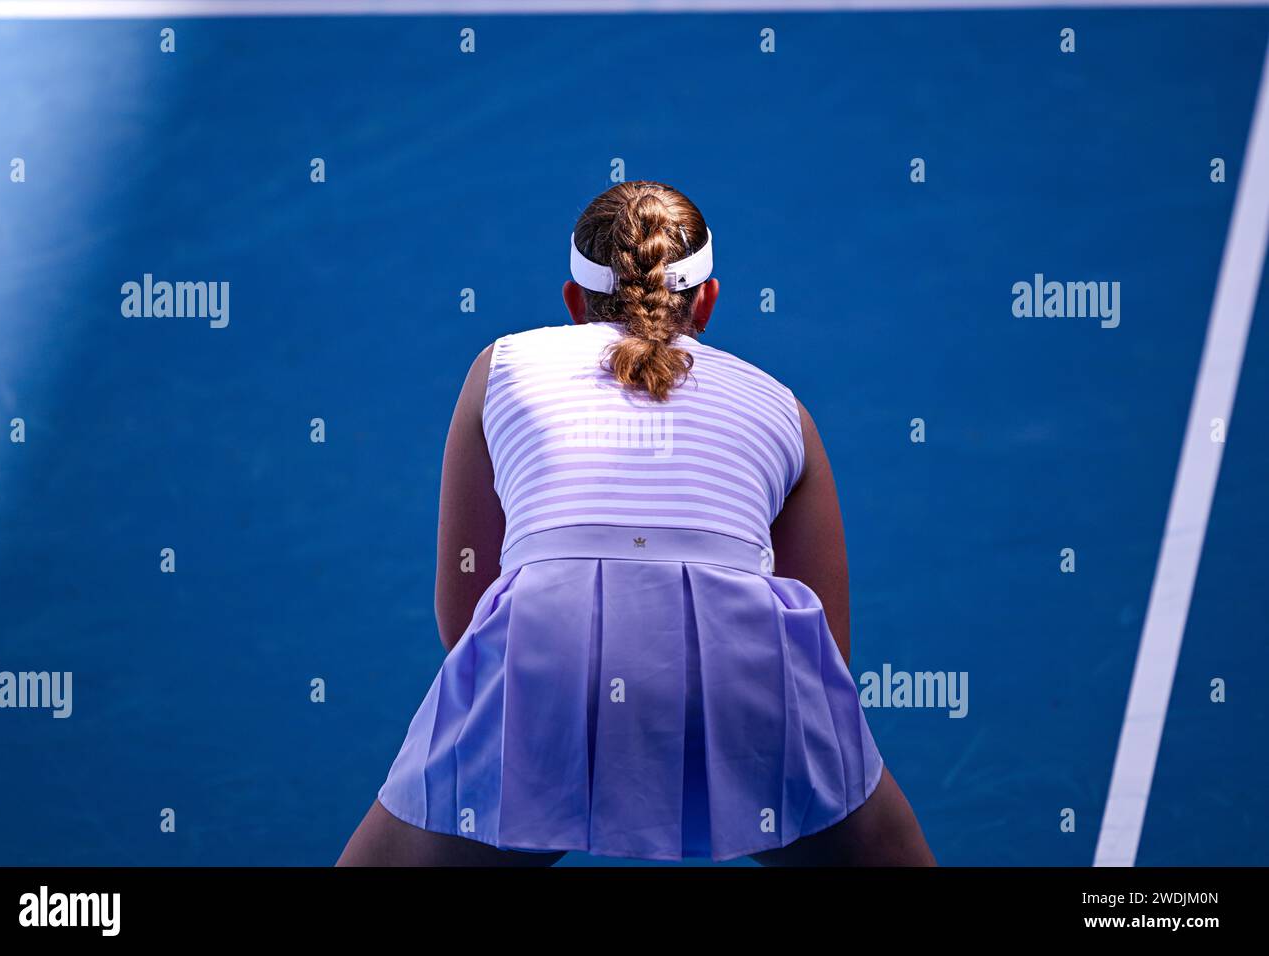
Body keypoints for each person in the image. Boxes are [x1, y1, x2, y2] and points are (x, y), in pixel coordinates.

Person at [338, 181, 935, 866]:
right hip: (752, 678)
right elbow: (827, 653)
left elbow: (462, 619)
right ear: (707, 302)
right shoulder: (785, 408)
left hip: (545, 658)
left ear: (573, 302)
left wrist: (560, 731)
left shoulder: (497, 367)